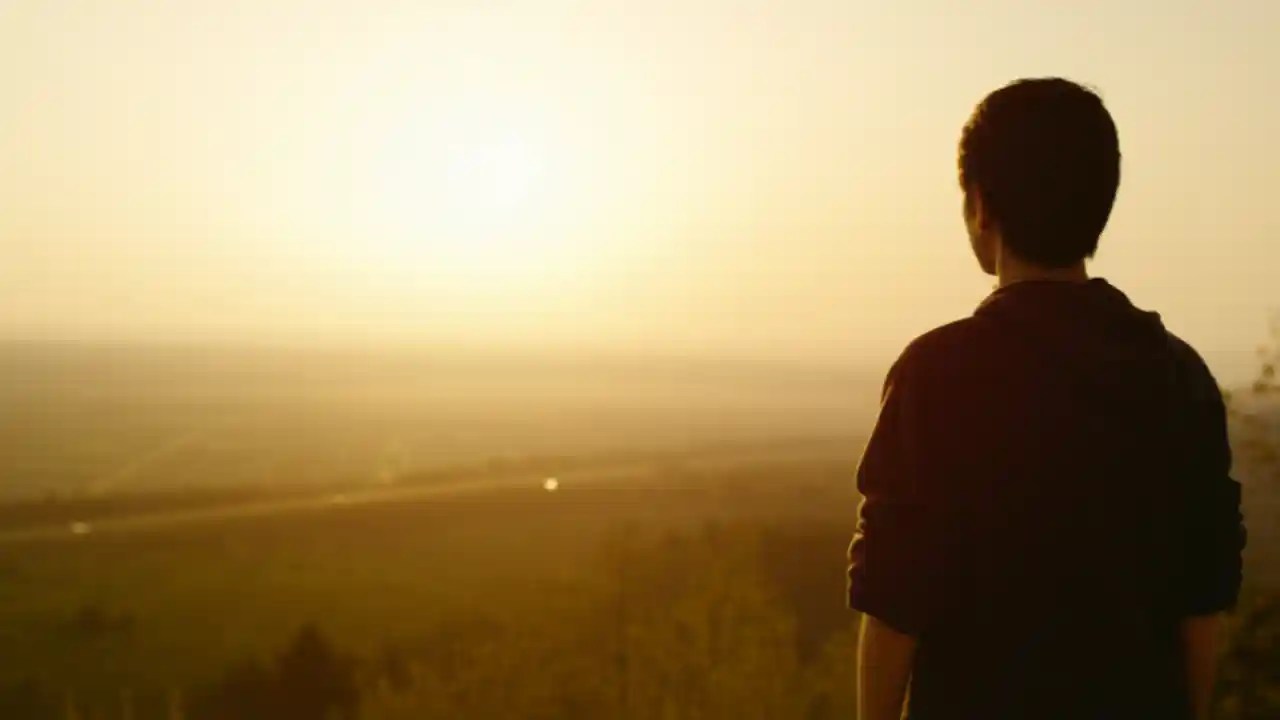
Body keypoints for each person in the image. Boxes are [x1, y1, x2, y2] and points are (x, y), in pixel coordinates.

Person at [847, 77, 1246, 720]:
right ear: (1101, 203)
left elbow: (894, 600)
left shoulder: (940, 373)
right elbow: (1200, 605)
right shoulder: (1180, 375)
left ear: (980, 204)